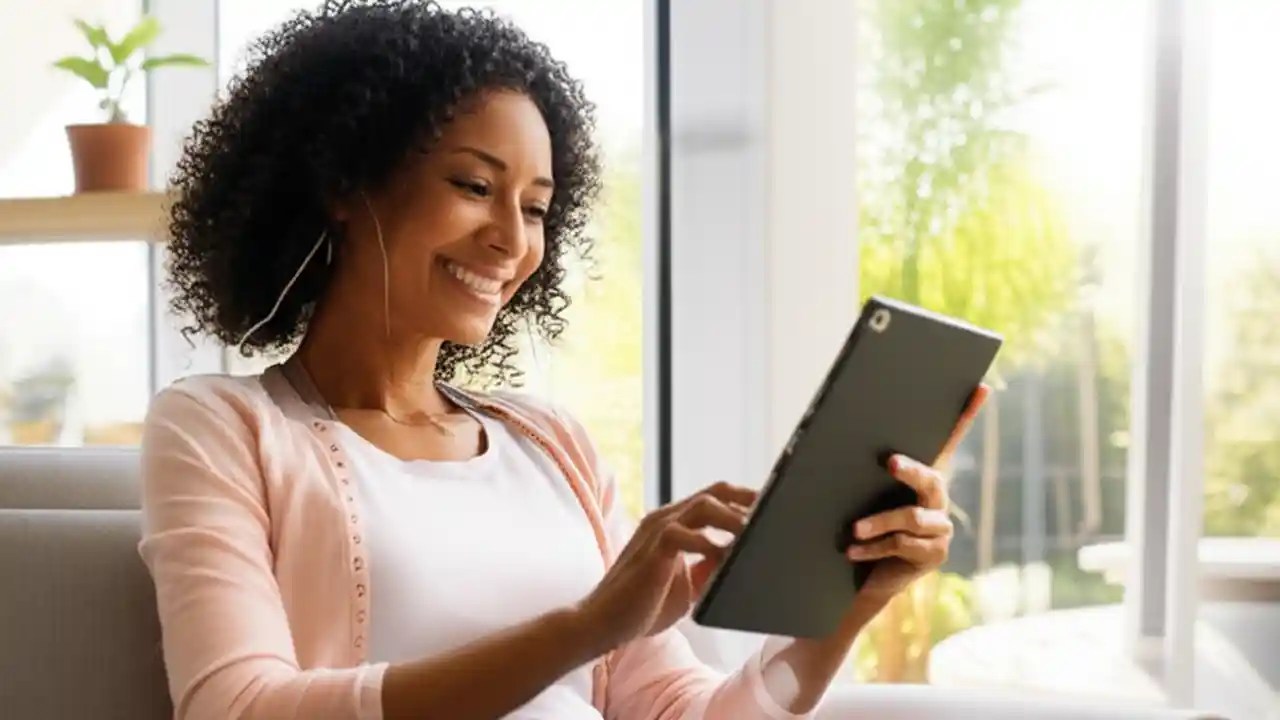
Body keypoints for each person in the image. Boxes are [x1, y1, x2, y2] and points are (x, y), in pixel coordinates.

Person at [139, 2, 988, 718]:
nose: (512, 241)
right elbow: (236, 706)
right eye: (474, 187)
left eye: (537, 208)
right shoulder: (222, 425)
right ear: (345, 183)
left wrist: (852, 600)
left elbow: (684, 712)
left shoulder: (550, 443)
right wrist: (586, 626)